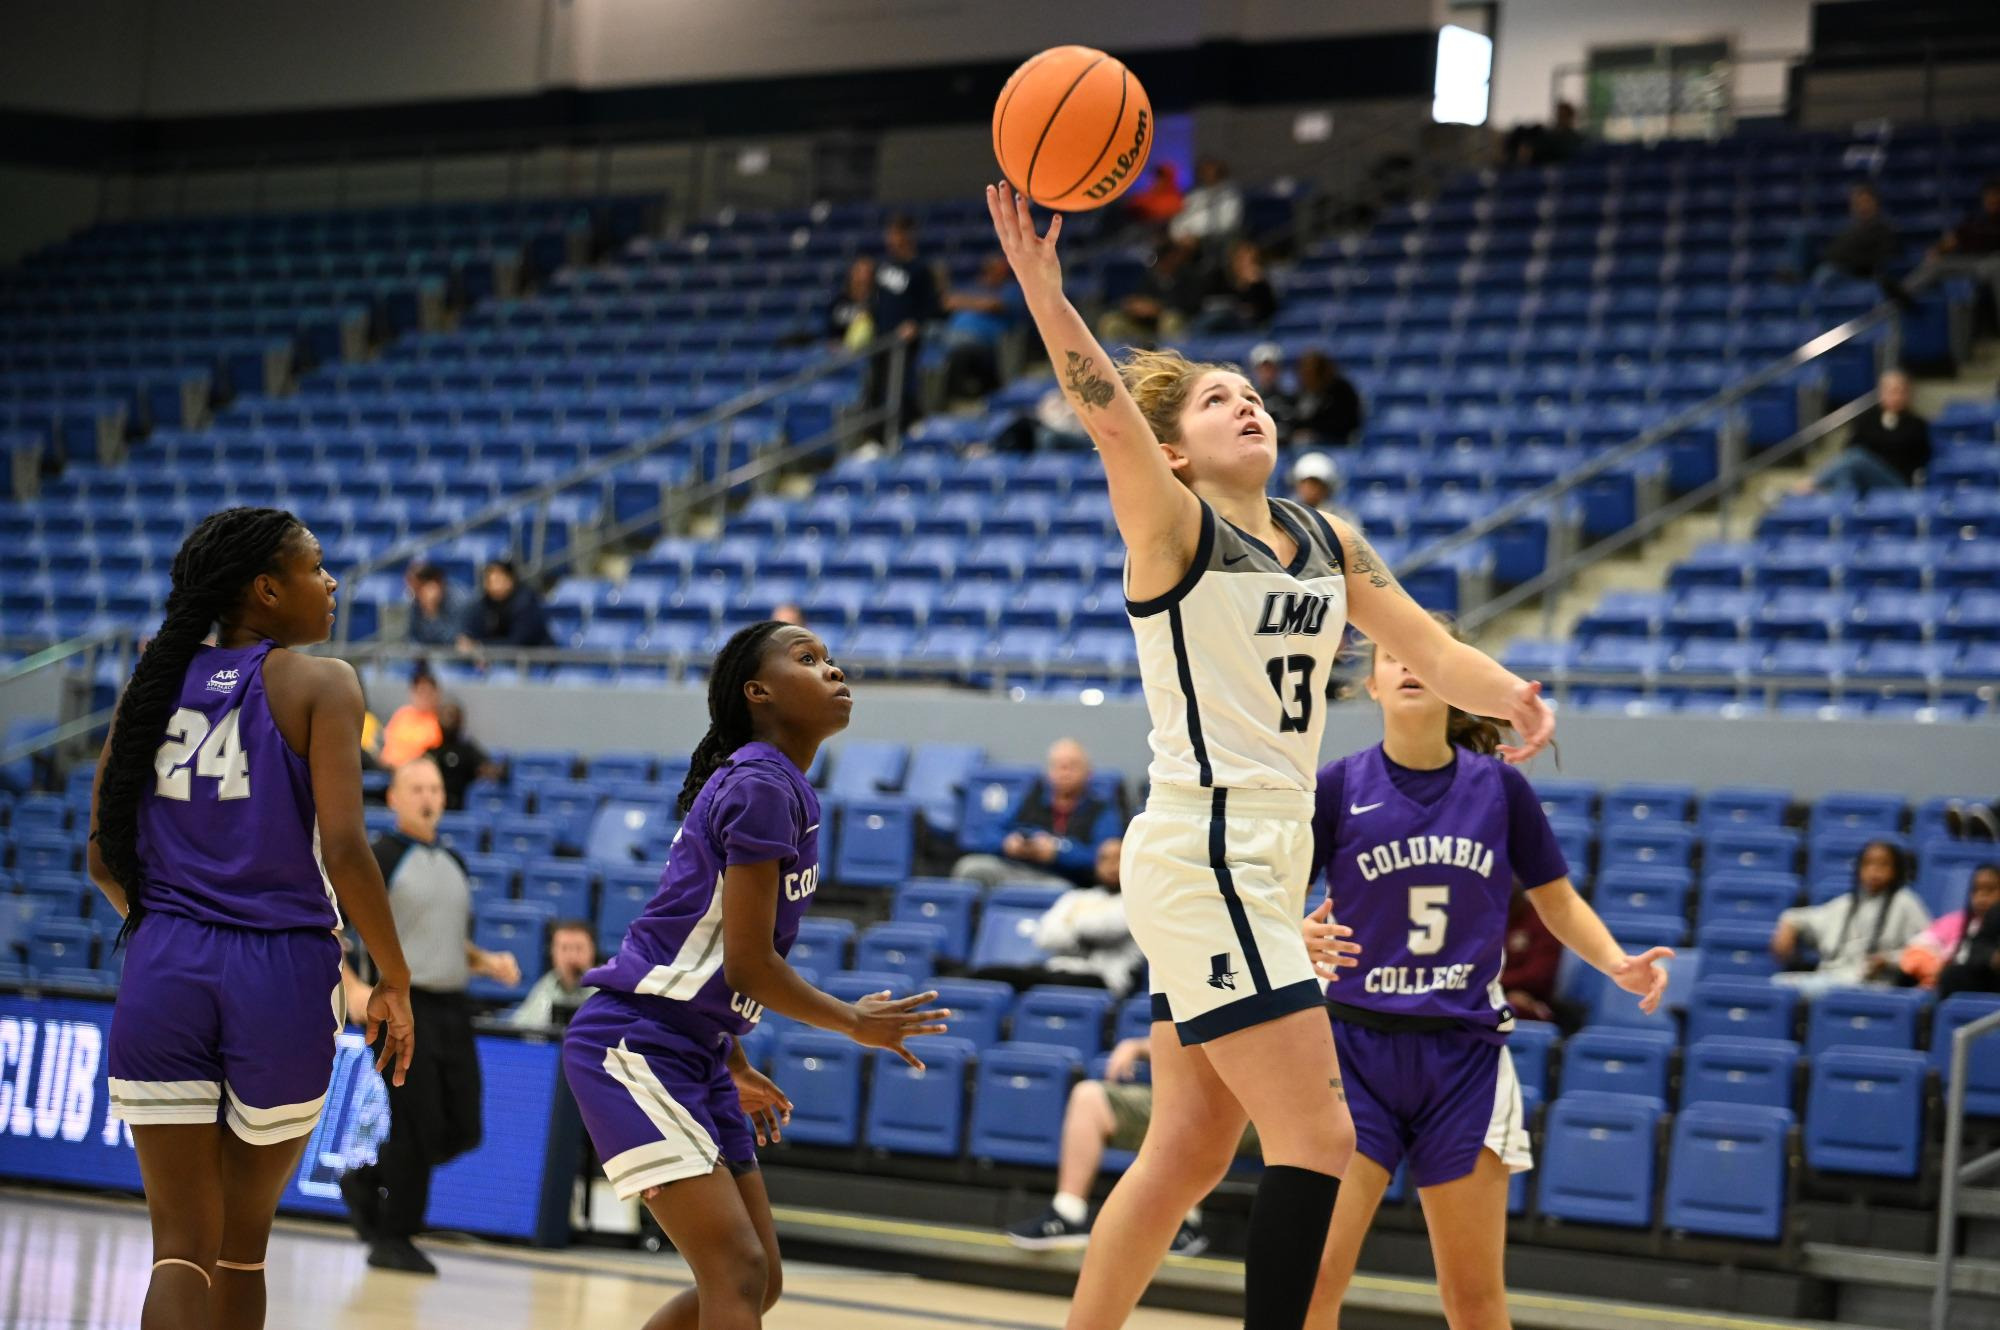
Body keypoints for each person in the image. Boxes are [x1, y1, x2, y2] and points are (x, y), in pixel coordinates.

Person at [986, 180, 1553, 1330]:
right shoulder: (1170, 527)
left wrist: (1511, 697)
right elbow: (1102, 408)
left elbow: (1424, 645)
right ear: (1174, 451)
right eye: (1213, 400)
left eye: (1252, 394)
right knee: (1319, 1137)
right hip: (1204, 843)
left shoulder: (1322, 536)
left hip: (1255, 853)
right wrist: (1047, 294)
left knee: (1191, 1148)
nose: (1246, 406)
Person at [562, 621, 947, 1329]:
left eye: (831, 659)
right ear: (758, 692)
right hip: (632, 1044)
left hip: (694, 1047)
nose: (833, 670)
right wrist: (855, 1021)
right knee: (735, 1271)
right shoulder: (761, 784)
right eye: (808, 659)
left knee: (755, 1280)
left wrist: (728, 1051)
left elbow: (700, 944)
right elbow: (746, 962)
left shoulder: (779, 787)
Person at [85, 506, 415, 1328]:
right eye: (315, 567)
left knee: (179, 1249)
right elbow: (345, 849)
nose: (331, 582)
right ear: (267, 591)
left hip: (163, 964)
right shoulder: (323, 682)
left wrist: (173, 925)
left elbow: (100, 859)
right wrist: (393, 976)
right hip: (279, 969)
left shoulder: (149, 687)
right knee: (241, 1245)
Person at [1304, 624, 1670, 1329]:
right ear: (1370, 682)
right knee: (1316, 1277)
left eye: (1422, 656)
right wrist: (1293, 929)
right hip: (1353, 1052)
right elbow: (1270, 885)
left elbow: (1556, 900)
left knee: (1473, 1299)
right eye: (1391, 656)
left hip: (1463, 1059)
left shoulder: (1500, 788)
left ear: (1452, 680)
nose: (1408, 665)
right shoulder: (1338, 785)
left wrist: (1616, 962)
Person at [337, 755, 519, 1275]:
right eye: (416, 787)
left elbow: (441, 936)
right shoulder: (381, 858)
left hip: (452, 1008)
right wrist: (352, 985)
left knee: (463, 1128)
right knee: (416, 1125)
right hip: (399, 1006)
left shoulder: (454, 863)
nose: (427, 797)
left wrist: (487, 962)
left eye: (435, 788)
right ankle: (394, 1237)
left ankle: (369, 1181)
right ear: (393, 798)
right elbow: (334, 928)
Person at [1007, 1033, 1250, 1257]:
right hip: (1180, 1090)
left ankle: (1182, 1222)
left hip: (1256, 1101)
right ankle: (1066, 1215)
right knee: (1089, 1097)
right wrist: (1136, 1045)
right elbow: (1185, 1031)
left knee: (1199, 1103)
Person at [971, 838, 1143, 996]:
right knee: (990, 974)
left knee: (1037, 981)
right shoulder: (1076, 897)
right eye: (1105, 859)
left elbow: (1103, 928)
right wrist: (1081, 930)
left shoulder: (1137, 902)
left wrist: (1071, 920)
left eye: (1118, 858)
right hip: (1057, 970)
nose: (1112, 866)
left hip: (1103, 980)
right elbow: (1044, 937)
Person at [950, 737, 1125, 890]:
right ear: (1048, 772)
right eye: (1058, 766)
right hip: (1016, 869)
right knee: (970, 868)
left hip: (1064, 879)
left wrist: (1057, 853)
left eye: (1072, 766)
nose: (1064, 772)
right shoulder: (1028, 801)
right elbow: (987, 834)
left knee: (1057, 890)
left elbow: (1104, 859)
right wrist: (1008, 843)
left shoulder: (1102, 810)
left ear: (1088, 773)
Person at [1771, 840, 1932, 997]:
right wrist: (1788, 925)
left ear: (1896, 870)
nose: (1874, 870)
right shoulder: (1846, 903)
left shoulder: (1906, 902)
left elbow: (1928, 947)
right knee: (1778, 984)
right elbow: (1803, 918)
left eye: (1883, 864)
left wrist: (1888, 960)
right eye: (1868, 864)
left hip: (1875, 985)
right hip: (1831, 978)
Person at [869, 213, 944, 433]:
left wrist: (915, 324)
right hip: (882, 336)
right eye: (889, 233)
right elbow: (877, 300)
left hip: (905, 341)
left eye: (895, 233)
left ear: (907, 235)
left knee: (900, 387)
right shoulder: (883, 267)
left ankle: (905, 429)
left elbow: (932, 304)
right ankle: (878, 435)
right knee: (877, 387)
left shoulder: (920, 269)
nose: (890, 238)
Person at [1802, 369, 1930, 495]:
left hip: (1897, 482)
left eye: (1900, 391)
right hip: (1865, 478)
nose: (1895, 396)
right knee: (1847, 476)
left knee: (1857, 457)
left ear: (1908, 394)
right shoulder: (1867, 419)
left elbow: (1916, 457)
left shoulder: (1917, 424)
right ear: (1881, 393)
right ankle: (1841, 513)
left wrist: (1873, 458)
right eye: (1890, 391)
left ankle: (1815, 482)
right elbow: (1849, 448)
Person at [941, 253, 1027, 402]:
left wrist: (966, 302)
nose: (991, 273)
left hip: (984, 342)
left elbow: (994, 305)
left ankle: (957, 400)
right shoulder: (975, 287)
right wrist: (977, 303)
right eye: (989, 269)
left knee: (960, 351)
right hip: (950, 335)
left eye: (996, 270)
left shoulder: (1011, 289)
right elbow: (948, 302)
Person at [1902, 864, 2000, 989]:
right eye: (1976, 890)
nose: (1982, 897)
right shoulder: (1957, 922)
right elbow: (1919, 945)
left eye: (1990, 890)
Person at [1098, 236, 1205, 346]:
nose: (1163, 262)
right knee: (1111, 322)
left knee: (1170, 320)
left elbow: (1192, 305)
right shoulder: (1149, 277)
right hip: (1146, 324)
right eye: (1161, 258)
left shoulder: (1188, 277)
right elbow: (1138, 297)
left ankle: (1170, 359)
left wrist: (1159, 308)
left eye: (1167, 257)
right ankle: (1116, 359)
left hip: (1177, 323)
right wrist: (1133, 306)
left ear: (1175, 257)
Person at [1500, 888, 1577, 1031]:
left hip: (1532, 999)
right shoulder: (1480, 918)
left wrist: (1495, 983)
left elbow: (1538, 976)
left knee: (1511, 1008)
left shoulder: (1543, 920)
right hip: (1487, 993)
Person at [509, 919, 599, 1028]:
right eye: (564, 948)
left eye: (579, 948)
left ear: (592, 951)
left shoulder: (604, 989)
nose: (571, 956)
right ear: (553, 952)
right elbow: (521, 1026)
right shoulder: (547, 983)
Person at [457, 559, 553, 651]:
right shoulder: (485, 603)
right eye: (489, 581)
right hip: (499, 661)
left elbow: (517, 643)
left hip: (535, 661)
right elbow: (473, 630)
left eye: (498, 580)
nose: (494, 586)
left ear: (511, 580)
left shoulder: (526, 602)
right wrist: (467, 639)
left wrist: (481, 646)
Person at [425, 699, 498, 811]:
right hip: (433, 809)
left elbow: (488, 768)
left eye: (452, 716)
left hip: (462, 809)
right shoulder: (431, 751)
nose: (448, 720)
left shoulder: (468, 750)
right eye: (445, 715)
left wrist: (492, 771)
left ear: (460, 720)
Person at [1194, 239, 1278, 333]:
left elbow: (1270, 311)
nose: (1245, 264)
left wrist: (1252, 285)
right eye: (1241, 259)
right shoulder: (1221, 279)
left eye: (1250, 260)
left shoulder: (1260, 285)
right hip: (1222, 321)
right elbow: (1208, 303)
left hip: (1250, 326)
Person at [1169, 156, 1245, 250]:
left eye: (1210, 171)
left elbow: (1226, 223)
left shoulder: (1230, 195)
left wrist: (1196, 236)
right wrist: (1178, 235)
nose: (1206, 175)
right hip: (1184, 241)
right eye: (1203, 172)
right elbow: (1179, 218)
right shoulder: (1195, 194)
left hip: (1214, 242)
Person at [1292, 350, 1364, 447]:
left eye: (1311, 371)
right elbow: (1299, 418)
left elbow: (1348, 422)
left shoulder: (1342, 390)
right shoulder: (1303, 392)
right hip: (1310, 441)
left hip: (1339, 441)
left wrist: (1317, 432)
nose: (1306, 376)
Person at [379, 667, 443, 769]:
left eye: (428, 692)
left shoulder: (440, 721)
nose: (424, 696)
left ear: (436, 693)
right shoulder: (402, 714)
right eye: (419, 691)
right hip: (386, 769)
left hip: (415, 773)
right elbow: (387, 743)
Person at [826, 256, 877, 350]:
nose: (862, 277)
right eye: (858, 272)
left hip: (866, 351)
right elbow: (830, 327)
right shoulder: (840, 300)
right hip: (836, 348)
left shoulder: (877, 301)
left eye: (866, 273)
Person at [403, 563, 460, 648]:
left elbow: (452, 640)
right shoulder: (416, 600)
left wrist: (432, 612)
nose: (411, 591)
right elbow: (412, 636)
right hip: (424, 655)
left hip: (450, 657)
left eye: (416, 586)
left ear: (434, 584)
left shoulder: (458, 601)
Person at [1249, 343, 1297, 433]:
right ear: (1255, 371)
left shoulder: (1291, 399)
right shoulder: (1249, 400)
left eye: (1272, 368)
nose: (1268, 373)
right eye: (1263, 369)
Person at [1124, 163, 1185, 233]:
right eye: (1157, 178)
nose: (1156, 181)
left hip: (1147, 228)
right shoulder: (1152, 193)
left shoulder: (1172, 199)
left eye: (1160, 178)